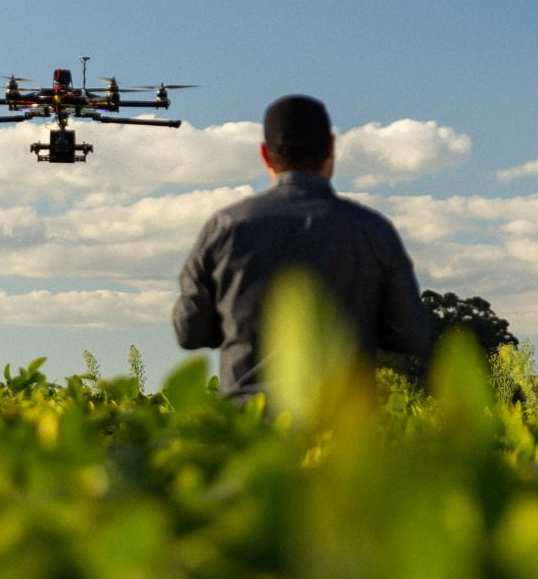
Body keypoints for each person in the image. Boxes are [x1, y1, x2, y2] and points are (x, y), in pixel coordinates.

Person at [172, 94, 434, 398]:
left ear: (264, 154)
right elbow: (413, 336)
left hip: (251, 427)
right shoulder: (374, 231)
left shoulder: (224, 228)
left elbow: (189, 332)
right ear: (331, 148)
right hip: (341, 429)